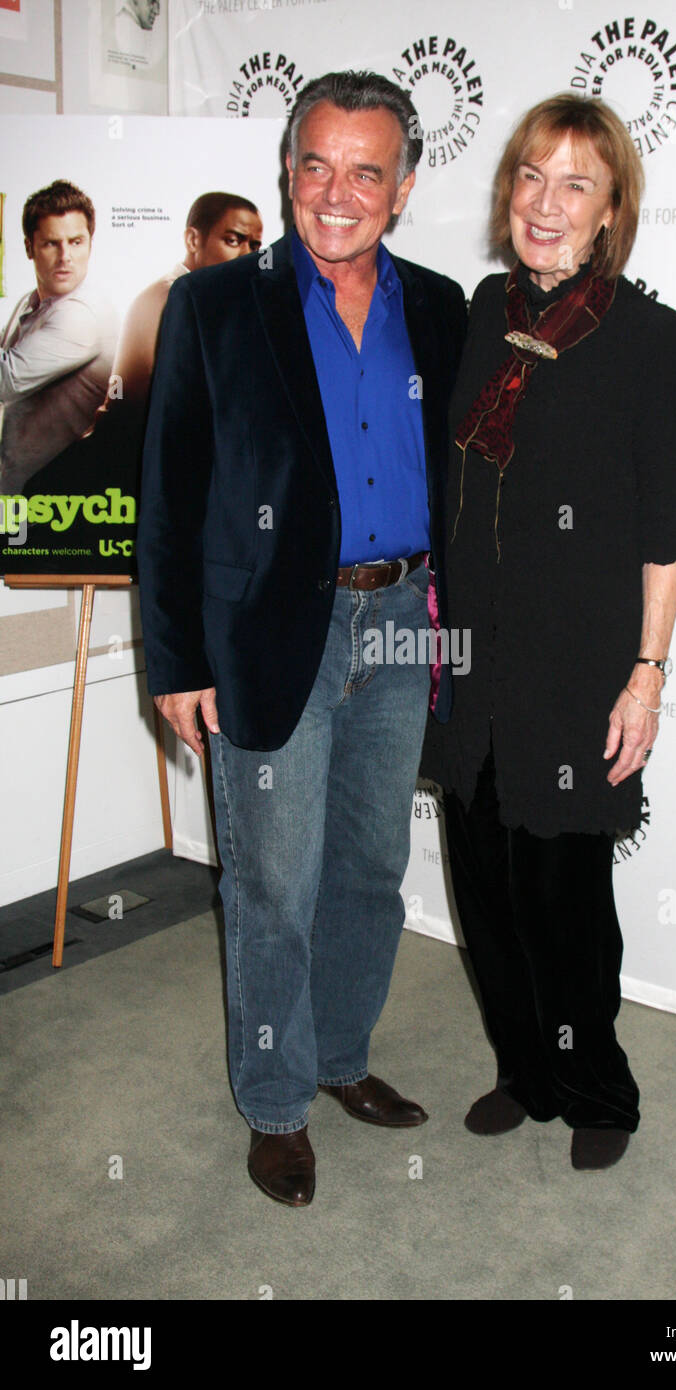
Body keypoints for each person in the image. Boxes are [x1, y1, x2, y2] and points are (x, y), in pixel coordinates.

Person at [137, 70, 467, 1207]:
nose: (336, 191)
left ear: (404, 186)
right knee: (273, 881)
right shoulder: (215, 306)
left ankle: (337, 1058)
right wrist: (175, 660)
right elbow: (172, 497)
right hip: (276, 628)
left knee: (371, 865)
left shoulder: (440, 306)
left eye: (365, 170)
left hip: (403, 621)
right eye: (316, 163)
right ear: (288, 170)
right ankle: (275, 1104)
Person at [422, 93, 676, 1170]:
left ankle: (595, 1089)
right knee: (484, 885)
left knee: (567, 902)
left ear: (609, 208)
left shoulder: (645, 338)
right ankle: (522, 1071)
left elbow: (663, 531)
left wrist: (646, 674)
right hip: (470, 661)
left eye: (574, 183)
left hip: (579, 673)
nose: (546, 202)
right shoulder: (477, 314)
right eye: (531, 176)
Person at [0, 180, 117, 494]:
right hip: (18, 487)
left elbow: (4, 380)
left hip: (59, 496)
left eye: (76, 242)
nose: (65, 256)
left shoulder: (82, 313)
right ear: (29, 248)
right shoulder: (31, 301)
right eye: (52, 243)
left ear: (90, 243)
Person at [108, 192, 263, 412]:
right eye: (233, 240)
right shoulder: (171, 299)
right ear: (193, 240)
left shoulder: (206, 299)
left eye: (255, 247)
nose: (248, 257)